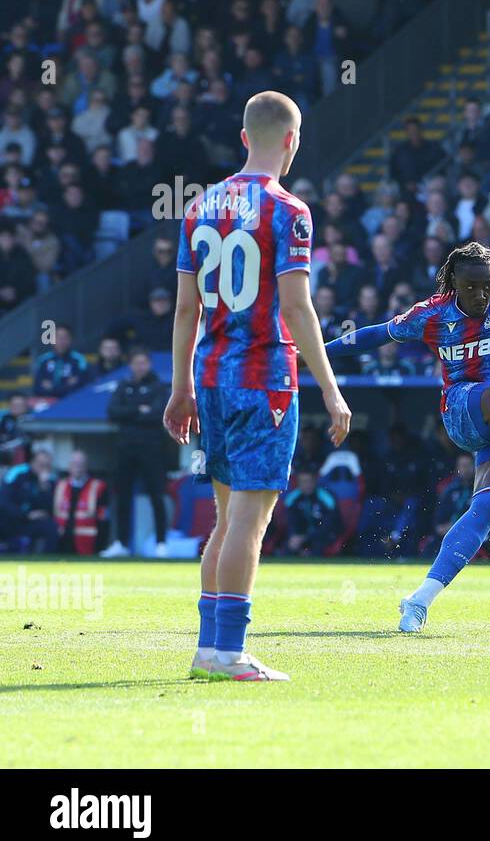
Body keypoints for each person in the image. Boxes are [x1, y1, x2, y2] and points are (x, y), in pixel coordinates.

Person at [165, 91, 353, 683]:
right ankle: (230, 654)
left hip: (211, 379)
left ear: (245, 138)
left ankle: (206, 648)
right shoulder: (289, 210)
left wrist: (180, 388)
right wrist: (328, 385)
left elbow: (183, 311)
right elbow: (296, 308)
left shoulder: (199, 206)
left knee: (225, 520)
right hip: (266, 381)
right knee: (250, 522)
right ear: (291, 141)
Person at [325, 242, 490, 630]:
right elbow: (374, 336)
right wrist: (319, 351)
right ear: (453, 281)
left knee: (486, 507)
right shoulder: (432, 313)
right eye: (471, 286)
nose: (481, 294)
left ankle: (419, 601)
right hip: (462, 411)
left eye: (487, 285)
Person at [106, 348, 170, 554]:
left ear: (149, 364)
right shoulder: (123, 386)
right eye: (136, 363)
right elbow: (113, 412)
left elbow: (157, 414)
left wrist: (132, 411)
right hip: (125, 448)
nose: (140, 367)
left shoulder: (159, 386)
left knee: (156, 495)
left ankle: (161, 543)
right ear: (130, 365)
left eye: (143, 362)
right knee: (122, 496)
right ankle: (121, 543)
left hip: (151, 448)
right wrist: (138, 409)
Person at [52, 450, 110, 555]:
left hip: (88, 544)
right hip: (61, 542)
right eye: (74, 464)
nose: (77, 468)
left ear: (86, 466)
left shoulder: (99, 487)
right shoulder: (60, 486)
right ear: (69, 467)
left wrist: (101, 547)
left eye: (81, 464)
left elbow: (104, 519)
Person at [281, 467, 342, 556]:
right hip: (302, 537)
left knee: (318, 549)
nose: (307, 485)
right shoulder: (292, 499)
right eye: (303, 482)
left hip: (323, 537)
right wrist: (295, 537)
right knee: (289, 547)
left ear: (315, 481)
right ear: (298, 483)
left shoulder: (326, 497)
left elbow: (330, 525)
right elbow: (292, 523)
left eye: (309, 481)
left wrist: (306, 538)